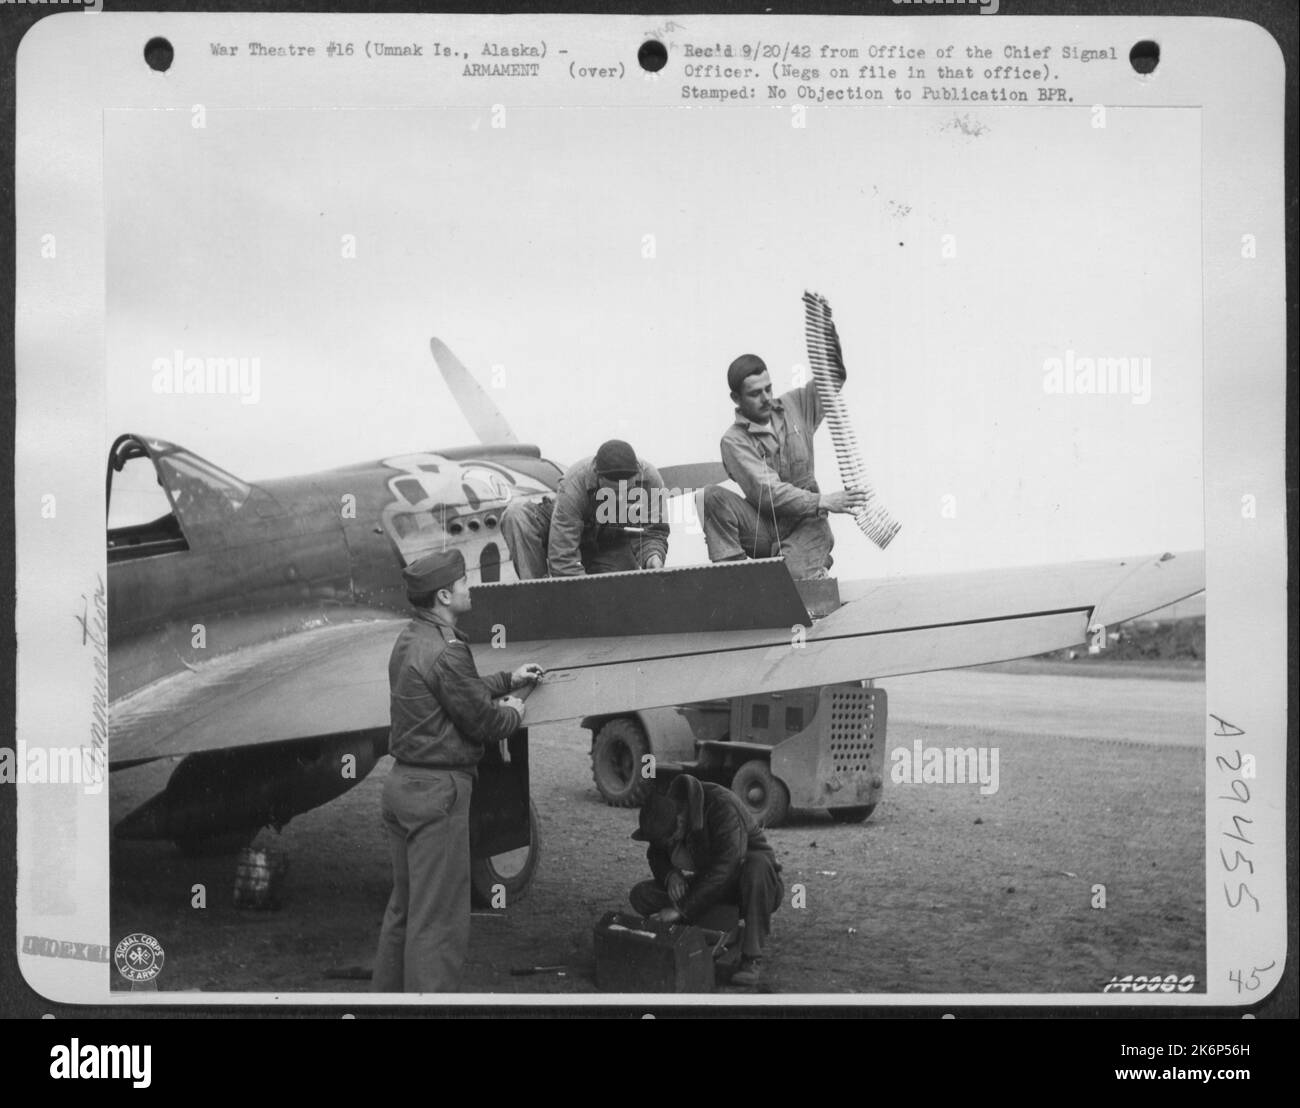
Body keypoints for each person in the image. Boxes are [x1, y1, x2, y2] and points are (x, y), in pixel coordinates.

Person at [372, 548, 544, 992]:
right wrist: (516, 710)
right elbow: (483, 722)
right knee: (440, 920)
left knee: (405, 910)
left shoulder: (411, 639)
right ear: (445, 595)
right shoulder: (448, 650)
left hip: (402, 786)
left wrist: (507, 679)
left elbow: (453, 689)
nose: (470, 587)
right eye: (464, 582)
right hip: (438, 795)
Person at [699, 333, 867, 580]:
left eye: (768, 388)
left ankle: (808, 563)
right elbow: (767, 492)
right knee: (711, 497)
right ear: (736, 398)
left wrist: (827, 333)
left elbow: (832, 379)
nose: (766, 398)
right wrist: (823, 501)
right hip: (764, 528)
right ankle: (732, 578)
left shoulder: (795, 404)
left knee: (789, 586)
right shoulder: (734, 440)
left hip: (806, 525)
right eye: (755, 393)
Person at [629, 774, 783, 988]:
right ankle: (702, 932)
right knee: (642, 895)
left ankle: (751, 957)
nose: (668, 844)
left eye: (669, 840)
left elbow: (726, 867)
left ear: (681, 821)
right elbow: (656, 853)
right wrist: (670, 875)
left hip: (748, 884)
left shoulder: (721, 806)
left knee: (756, 866)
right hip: (710, 886)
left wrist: (681, 909)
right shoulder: (668, 810)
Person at [500, 438, 670, 579]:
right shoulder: (575, 482)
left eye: (624, 491)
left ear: (638, 474)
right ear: (596, 475)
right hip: (566, 532)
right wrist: (584, 594)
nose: (617, 499)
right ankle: (536, 597)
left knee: (622, 592)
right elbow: (562, 555)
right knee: (516, 515)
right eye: (610, 492)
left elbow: (653, 531)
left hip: (608, 542)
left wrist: (653, 556)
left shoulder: (651, 480)